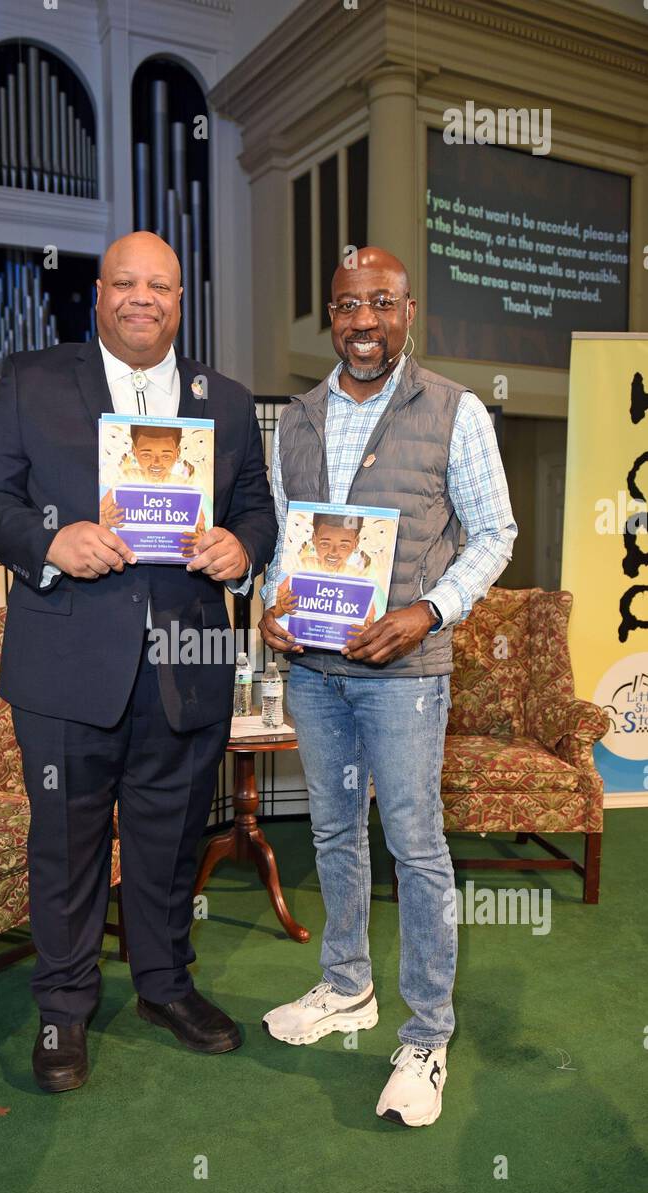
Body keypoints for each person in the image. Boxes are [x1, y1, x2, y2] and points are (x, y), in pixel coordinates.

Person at [0, 232, 277, 1092]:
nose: (143, 298)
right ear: (98, 294)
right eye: (126, 283)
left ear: (180, 300)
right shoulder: (30, 380)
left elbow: (257, 509)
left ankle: (166, 988)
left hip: (188, 663)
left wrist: (240, 548)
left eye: (161, 285)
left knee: (170, 844)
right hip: (65, 665)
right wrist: (51, 540)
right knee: (64, 844)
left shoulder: (230, 402)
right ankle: (63, 1009)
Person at [259, 246, 517, 1127]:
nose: (361, 321)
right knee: (333, 830)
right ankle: (346, 987)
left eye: (380, 304)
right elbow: (284, 543)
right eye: (345, 306)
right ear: (328, 318)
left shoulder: (455, 410)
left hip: (404, 672)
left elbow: (494, 532)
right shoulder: (292, 419)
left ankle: (426, 1033)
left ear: (408, 312)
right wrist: (268, 606)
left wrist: (430, 612)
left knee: (414, 844)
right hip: (313, 671)